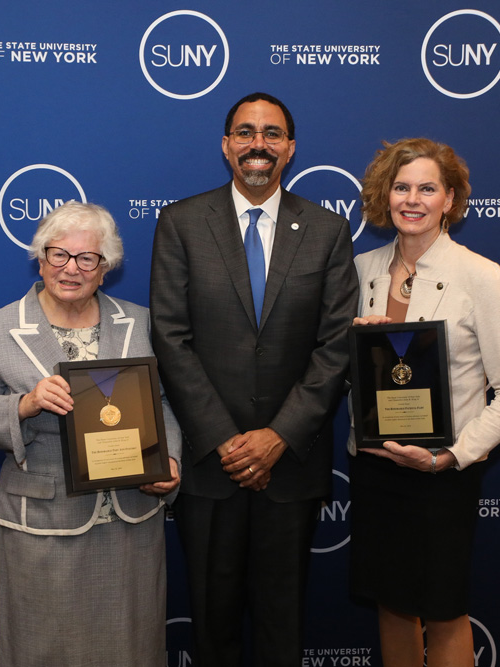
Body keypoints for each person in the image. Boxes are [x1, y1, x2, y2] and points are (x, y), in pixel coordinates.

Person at [149, 92, 359, 667]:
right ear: (226, 145)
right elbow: (171, 338)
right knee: (212, 626)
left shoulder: (327, 230)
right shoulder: (182, 223)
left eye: (271, 134)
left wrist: (275, 438)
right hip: (209, 466)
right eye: (245, 133)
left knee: (280, 623)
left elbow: (334, 346)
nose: (257, 144)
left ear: (290, 148)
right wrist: (225, 439)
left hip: (289, 464)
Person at [0, 201, 181, 667]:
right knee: (43, 651)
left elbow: (166, 402)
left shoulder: (144, 322)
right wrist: (24, 404)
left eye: (87, 258)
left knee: (131, 652)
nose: (71, 269)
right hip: (43, 528)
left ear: (106, 267)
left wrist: (169, 459)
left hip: (130, 523)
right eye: (59, 255)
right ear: (41, 258)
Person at [349, 138, 500, 667]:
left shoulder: (480, 274)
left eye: (427, 188)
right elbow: (350, 375)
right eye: (402, 187)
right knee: (391, 604)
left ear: (449, 199)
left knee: (443, 609)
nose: (413, 199)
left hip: (440, 475)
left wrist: (447, 457)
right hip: (376, 468)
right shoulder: (363, 269)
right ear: (386, 196)